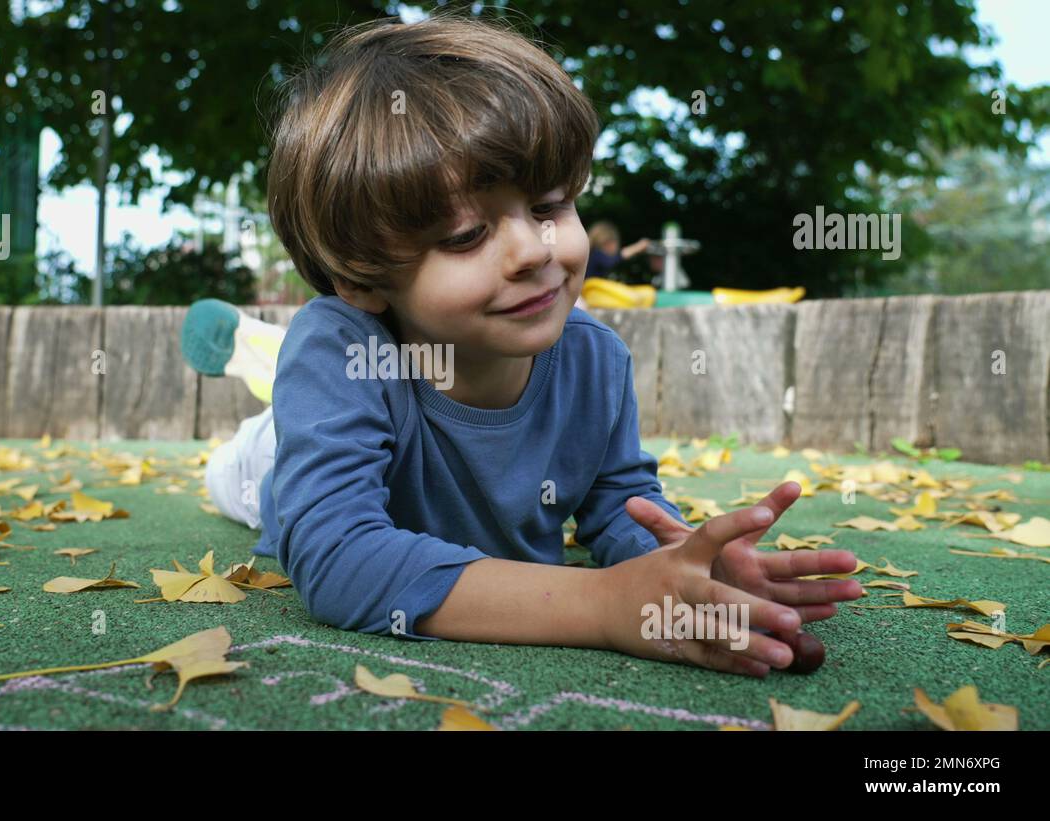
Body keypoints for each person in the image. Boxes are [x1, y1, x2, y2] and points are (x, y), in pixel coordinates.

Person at [181, 13, 861, 676]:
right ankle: (269, 376)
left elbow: (619, 502)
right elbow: (338, 558)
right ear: (359, 281)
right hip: (270, 459)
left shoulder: (596, 359)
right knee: (257, 455)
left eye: (549, 206)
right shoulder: (342, 342)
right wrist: (604, 604)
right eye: (465, 236)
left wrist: (682, 565)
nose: (534, 252)